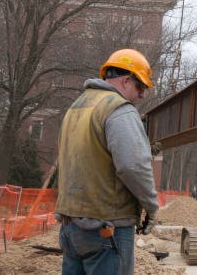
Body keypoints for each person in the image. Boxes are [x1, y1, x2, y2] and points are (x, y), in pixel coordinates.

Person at [55, 49, 160, 275]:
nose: (142, 95)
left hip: (71, 227)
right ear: (126, 80)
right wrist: (151, 205)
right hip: (106, 229)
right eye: (140, 86)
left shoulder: (76, 108)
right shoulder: (119, 109)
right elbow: (133, 166)